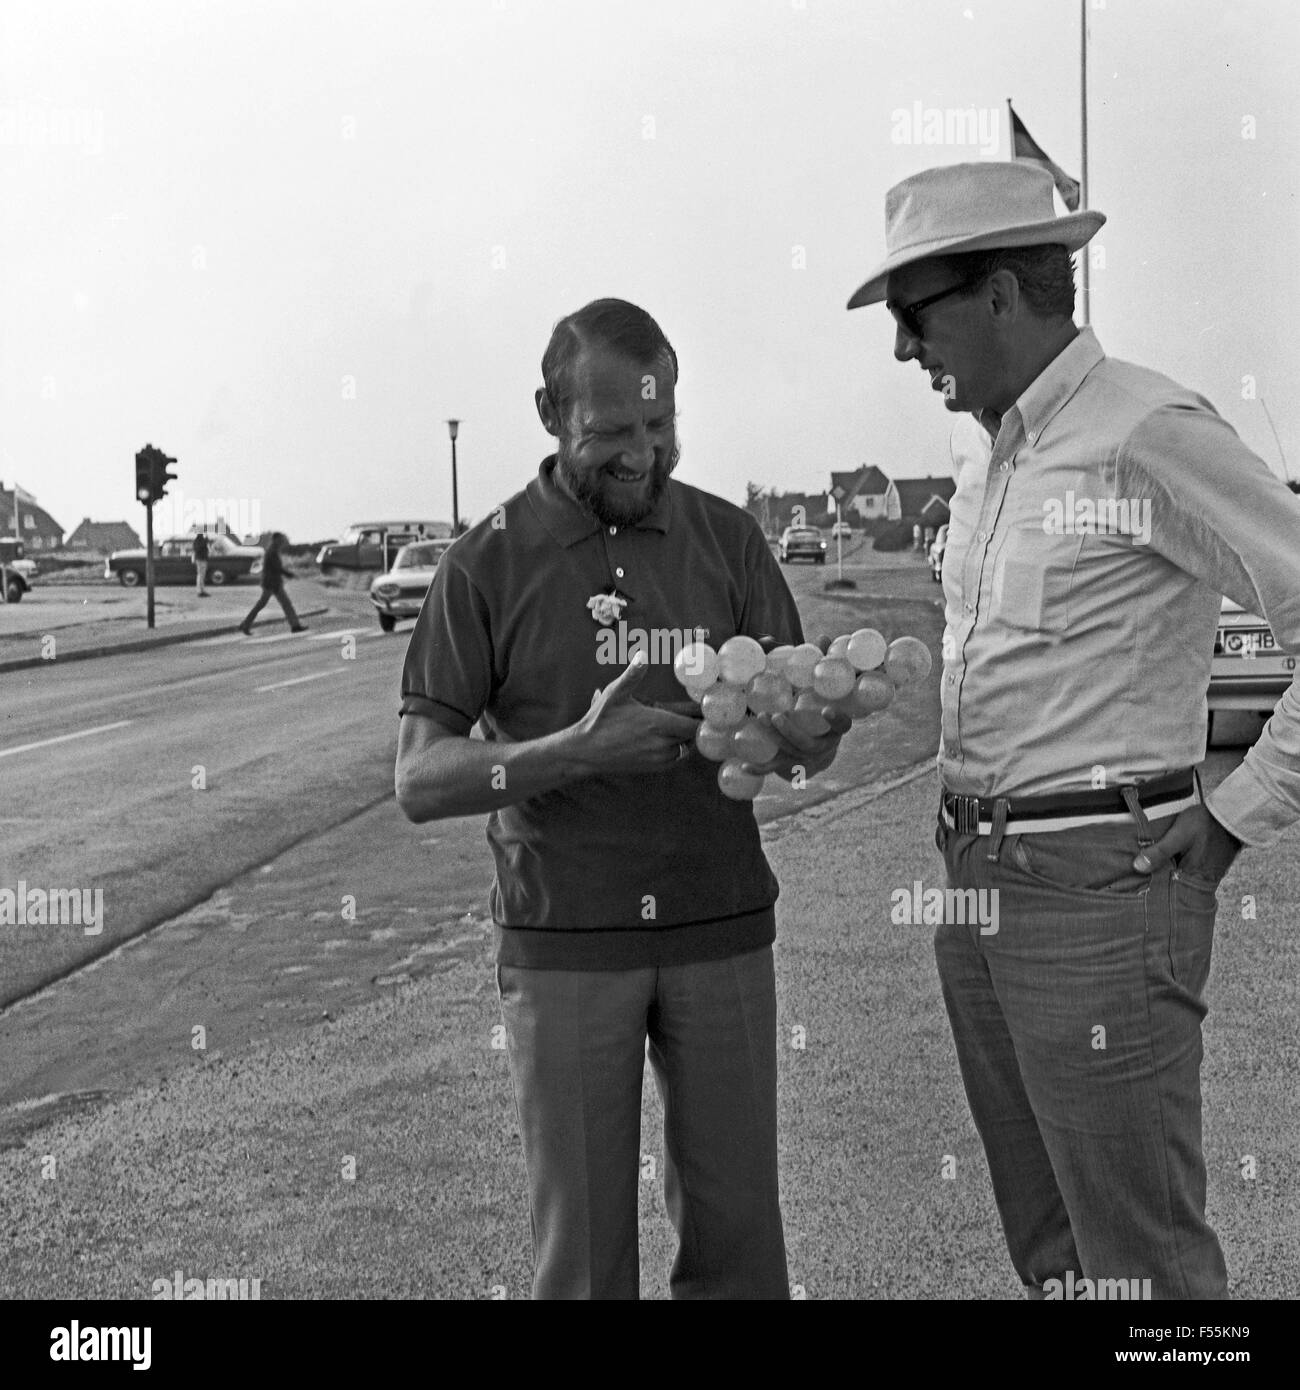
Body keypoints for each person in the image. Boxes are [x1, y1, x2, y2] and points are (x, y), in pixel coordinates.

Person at [845, 161, 1300, 1299]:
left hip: (1102, 885)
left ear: (1001, 292)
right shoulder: (989, 458)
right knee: (1052, 1254)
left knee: (1139, 1260)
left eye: (915, 313)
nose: (904, 349)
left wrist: (1237, 812)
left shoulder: (1143, 431)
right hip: (974, 876)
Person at [394, 298, 849, 1300]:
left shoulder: (728, 542)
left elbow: (795, 744)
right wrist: (574, 751)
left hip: (720, 924)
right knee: (585, 1259)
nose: (642, 455)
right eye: (610, 435)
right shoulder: (486, 561)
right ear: (550, 413)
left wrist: (811, 735)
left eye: (660, 426)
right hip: (564, 940)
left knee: (740, 1245)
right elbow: (418, 781)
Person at [239, 532, 306, 634]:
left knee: (278, 604)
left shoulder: (272, 550)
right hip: (272, 583)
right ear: (276, 540)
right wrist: (288, 574)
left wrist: (287, 574)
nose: (283, 542)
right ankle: (295, 626)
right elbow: (276, 568)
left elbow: (275, 568)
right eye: (281, 540)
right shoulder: (272, 552)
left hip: (272, 582)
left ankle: (295, 625)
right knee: (281, 604)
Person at [192, 529, 210, 596]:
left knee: (202, 576)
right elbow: (199, 548)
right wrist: (205, 540)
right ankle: (200, 591)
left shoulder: (199, 540)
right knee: (200, 575)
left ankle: (201, 590)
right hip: (200, 559)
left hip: (202, 559)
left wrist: (206, 540)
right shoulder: (199, 541)